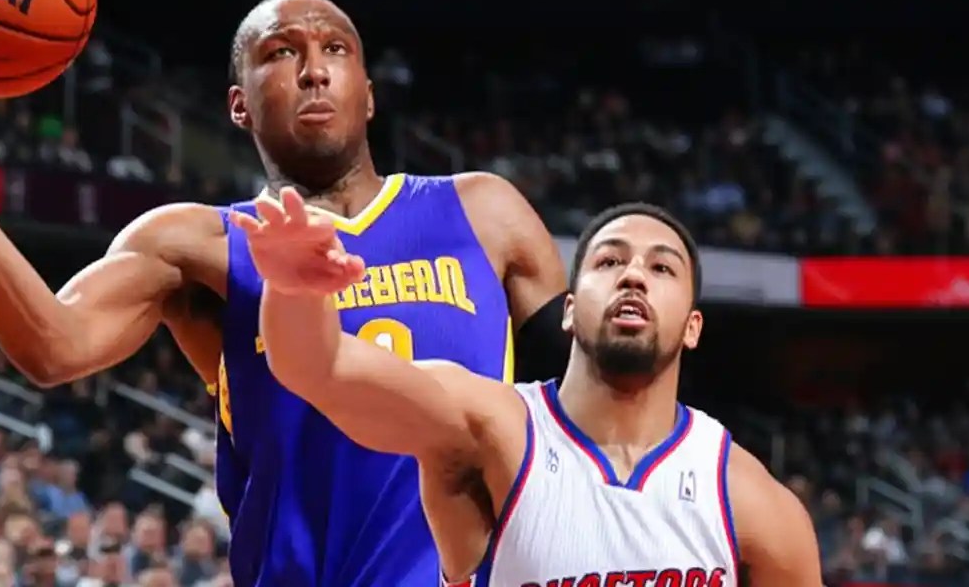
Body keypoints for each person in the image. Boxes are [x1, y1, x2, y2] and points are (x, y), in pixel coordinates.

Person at [0, 0, 572, 586]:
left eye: (336, 49)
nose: (314, 70)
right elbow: (51, 347)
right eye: (282, 53)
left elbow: (585, 409)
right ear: (239, 105)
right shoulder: (197, 244)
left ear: (368, 95)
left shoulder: (485, 212)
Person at [237, 191, 824, 587]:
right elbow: (320, 366)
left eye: (662, 268)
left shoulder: (750, 500)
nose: (633, 275)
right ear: (568, 310)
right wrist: (292, 288)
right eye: (609, 262)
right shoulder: (491, 428)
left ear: (693, 327)